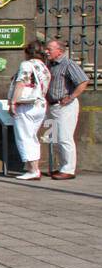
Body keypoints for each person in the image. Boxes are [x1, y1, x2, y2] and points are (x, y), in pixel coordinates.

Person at [46, 38, 89, 180]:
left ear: (59, 51)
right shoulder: (50, 65)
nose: (46, 52)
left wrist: (71, 97)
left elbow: (83, 81)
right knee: (53, 138)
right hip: (52, 106)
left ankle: (69, 169)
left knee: (65, 137)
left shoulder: (68, 64)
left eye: (50, 49)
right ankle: (59, 166)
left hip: (65, 107)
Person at [8, 40, 51, 180]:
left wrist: (13, 102)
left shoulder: (26, 64)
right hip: (40, 104)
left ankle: (33, 170)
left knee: (25, 137)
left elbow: (22, 82)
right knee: (32, 137)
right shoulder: (44, 67)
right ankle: (34, 168)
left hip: (26, 105)